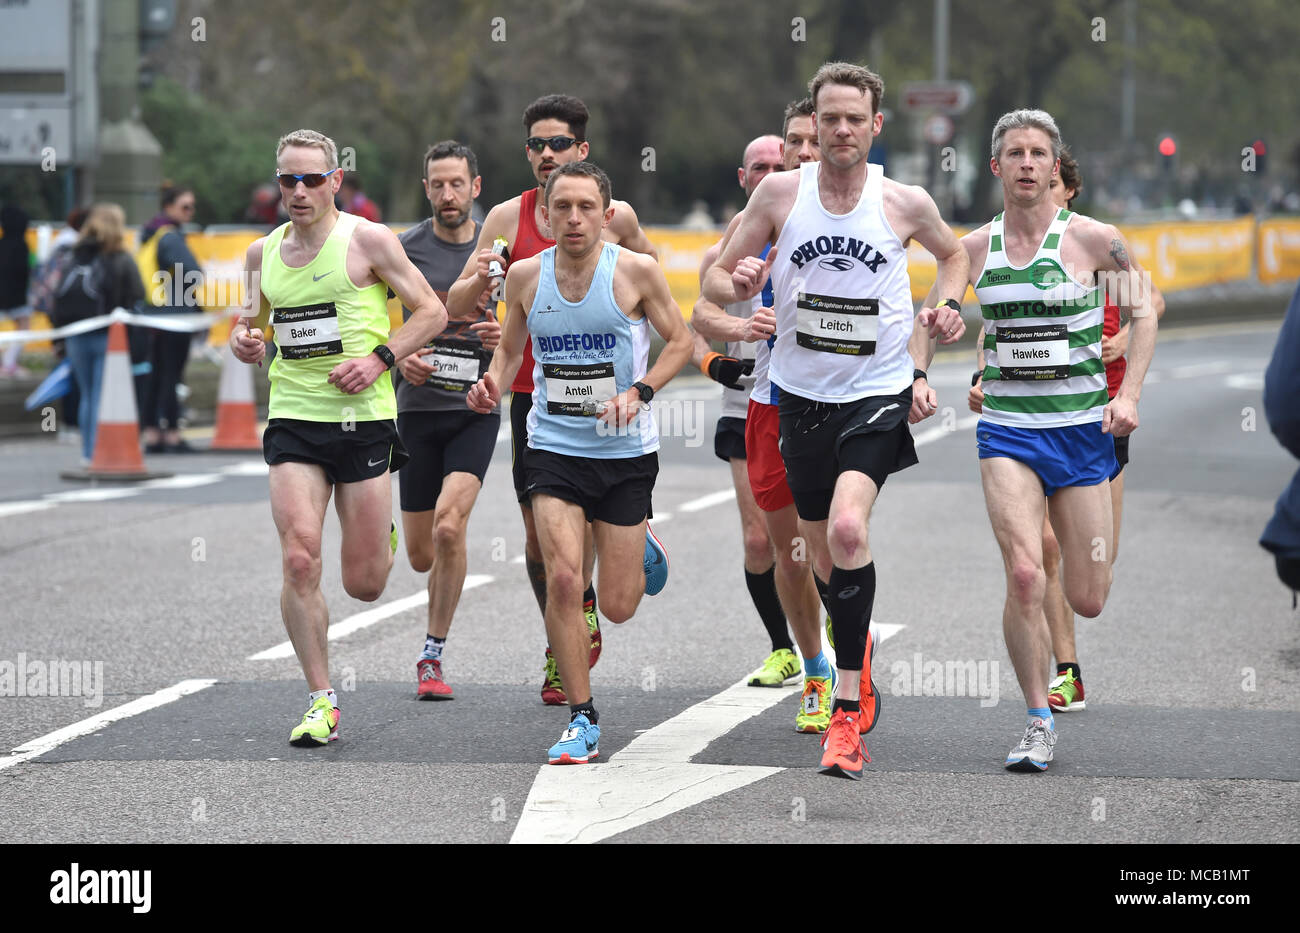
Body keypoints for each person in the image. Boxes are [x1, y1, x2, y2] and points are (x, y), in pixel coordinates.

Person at [705, 63, 969, 778]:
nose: (842, 129)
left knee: (850, 530)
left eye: (855, 118)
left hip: (876, 391)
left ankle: (847, 715)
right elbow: (712, 277)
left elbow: (954, 258)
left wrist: (944, 307)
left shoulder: (904, 201)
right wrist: (735, 283)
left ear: (876, 125)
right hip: (799, 395)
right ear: (813, 127)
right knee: (822, 559)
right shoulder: (780, 194)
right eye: (830, 119)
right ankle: (857, 647)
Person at [946, 109, 1156, 771]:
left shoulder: (1095, 240)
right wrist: (927, 367)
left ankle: (1056, 660)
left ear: (1054, 166)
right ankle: (1038, 719)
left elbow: (1146, 308)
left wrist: (1128, 394)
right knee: (1027, 571)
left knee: (1088, 595)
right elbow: (937, 311)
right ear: (997, 166)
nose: (1028, 163)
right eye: (1016, 153)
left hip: (1081, 430)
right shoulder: (974, 248)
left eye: (1039, 152)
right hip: (1008, 430)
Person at [467, 160, 692, 764]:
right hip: (552, 447)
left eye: (585, 207)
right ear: (543, 215)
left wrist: (639, 392)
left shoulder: (635, 273)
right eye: (561, 207)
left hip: (623, 453)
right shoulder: (523, 277)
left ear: (606, 213)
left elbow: (682, 342)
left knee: (617, 606)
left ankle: (643, 544)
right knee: (564, 578)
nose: (573, 218)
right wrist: (491, 383)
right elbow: (511, 346)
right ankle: (582, 717)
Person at [229, 129, 447, 746]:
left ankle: (378, 536)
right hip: (295, 418)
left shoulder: (368, 241)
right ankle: (321, 698)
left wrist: (381, 359)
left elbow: (430, 311)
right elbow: (249, 328)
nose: (297, 192)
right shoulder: (259, 255)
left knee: (366, 583)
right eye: (287, 180)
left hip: (362, 420)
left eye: (310, 179)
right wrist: (245, 341)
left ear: (334, 181)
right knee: (300, 556)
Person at [446, 94, 660, 706]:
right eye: (536, 145)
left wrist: (637, 369)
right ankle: (563, 647)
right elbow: (457, 306)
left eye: (558, 144)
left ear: (581, 150)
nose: (546, 154)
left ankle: (629, 533)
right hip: (534, 400)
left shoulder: (612, 217)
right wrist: (484, 282)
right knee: (547, 551)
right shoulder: (505, 221)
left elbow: (652, 279)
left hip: (615, 415)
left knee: (608, 568)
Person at [688, 133, 799, 690]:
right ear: (743, 177)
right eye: (759, 167)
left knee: (809, 539)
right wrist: (717, 364)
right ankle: (784, 647)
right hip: (744, 407)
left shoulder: (815, 232)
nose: (770, 174)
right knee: (760, 540)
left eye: (780, 165)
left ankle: (830, 641)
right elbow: (692, 331)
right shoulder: (725, 252)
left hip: (808, 405)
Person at [394, 140, 503, 700]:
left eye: (457, 183)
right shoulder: (402, 249)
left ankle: (432, 655)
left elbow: (528, 316)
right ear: (426, 189)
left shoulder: (497, 249)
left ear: (475, 187)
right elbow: (371, 323)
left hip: (472, 409)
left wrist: (504, 333)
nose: (447, 194)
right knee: (419, 555)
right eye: (437, 184)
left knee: (448, 526)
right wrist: (398, 355)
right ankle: (382, 523)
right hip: (415, 410)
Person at [53, 204, 146, 464]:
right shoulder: (121, 258)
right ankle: (99, 453)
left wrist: (58, 338)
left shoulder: (75, 255)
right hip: (109, 336)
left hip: (76, 334)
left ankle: (87, 452)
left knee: (86, 394)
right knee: (101, 395)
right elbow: (138, 293)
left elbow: (57, 295)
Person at [138, 185, 204, 453]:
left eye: (192, 207)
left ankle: (153, 433)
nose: (189, 212)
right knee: (171, 375)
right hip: (174, 315)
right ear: (169, 206)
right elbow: (193, 272)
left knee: (156, 374)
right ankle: (172, 434)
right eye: (185, 207)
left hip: (152, 314)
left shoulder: (149, 234)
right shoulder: (171, 237)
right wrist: (187, 296)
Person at [0, 205, 33, 379]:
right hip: (17, 297)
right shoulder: (22, 246)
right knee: (23, 327)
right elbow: (24, 274)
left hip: (8, 296)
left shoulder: (2, 244)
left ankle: (6, 363)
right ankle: (9, 363)